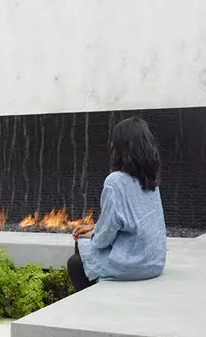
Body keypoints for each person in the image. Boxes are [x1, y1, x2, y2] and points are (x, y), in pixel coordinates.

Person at [67, 117, 167, 292]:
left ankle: (90, 307)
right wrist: (94, 227)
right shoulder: (151, 181)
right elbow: (134, 222)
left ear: (120, 148)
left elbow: (103, 238)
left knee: (76, 260)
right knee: (86, 247)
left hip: (133, 264)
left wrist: (92, 235)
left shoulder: (115, 182)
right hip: (155, 262)